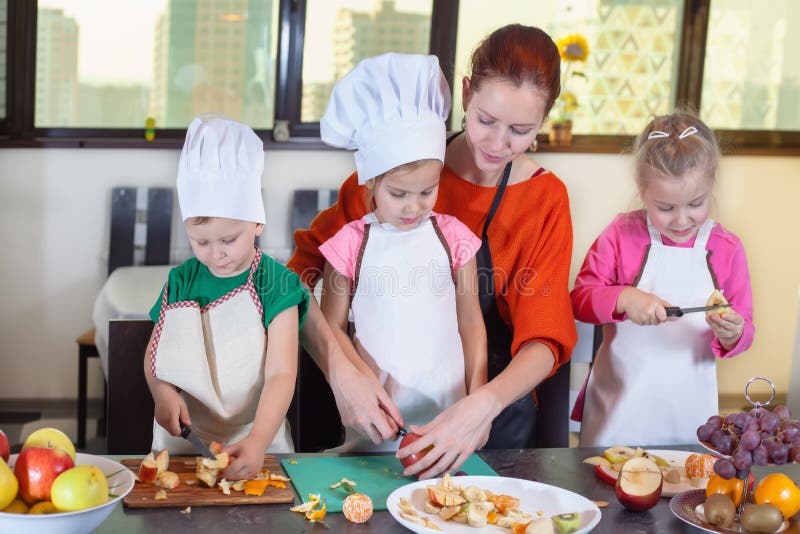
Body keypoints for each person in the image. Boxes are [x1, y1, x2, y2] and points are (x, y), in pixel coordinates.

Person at [288, 24, 577, 479]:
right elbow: (293, 288)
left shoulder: (544, 199)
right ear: (466, 93)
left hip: (492, 415)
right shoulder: (389, 174)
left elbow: (545, 338)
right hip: (379, 413)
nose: (497, 144)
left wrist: (480, 403)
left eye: (520, 130)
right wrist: (341, 370)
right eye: (486, 120)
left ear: (543, 123)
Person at [317, 53, 486, 453]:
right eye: (399, 194)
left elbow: (470, 320)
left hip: (449, 419)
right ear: (371, 183)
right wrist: (362, 383)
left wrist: (477, 399)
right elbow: (332, 329)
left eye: (428, 191)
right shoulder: (348, 246)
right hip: (377, 419)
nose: (414, 207)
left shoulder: (454, 239)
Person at [571, 110, 755, 447]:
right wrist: (625, 298)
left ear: (710, 186)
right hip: (618, 411)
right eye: (666, 208)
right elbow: (581, 299)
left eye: (696, 204)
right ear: (642, 191)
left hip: (688, 416)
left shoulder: (727, 249)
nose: (682, 220)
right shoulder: (621, 235)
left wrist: (735, 332)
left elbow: (745, 330)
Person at [144, 115, 309, 480]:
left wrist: (259, 438)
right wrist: (162, 393)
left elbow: (282, 373)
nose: (216, 254)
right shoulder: (180, 281)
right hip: (184, 448)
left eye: (229, 239)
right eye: (200, 242)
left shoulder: (278, 283)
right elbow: (155, 358)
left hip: (260, 446)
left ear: (258, 222)